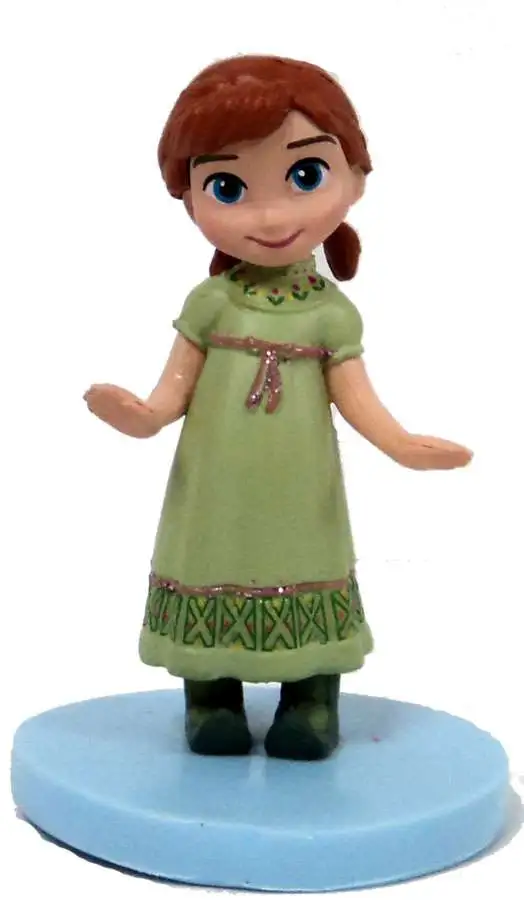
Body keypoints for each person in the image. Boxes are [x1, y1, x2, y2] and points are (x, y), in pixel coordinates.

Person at [84, 55, 472, 761]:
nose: (269, 215)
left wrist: (402, 445)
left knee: (307, 558)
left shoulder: (329, 314)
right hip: (214, 485)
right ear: (190, 198)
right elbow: (170, 395)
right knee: (209, 559)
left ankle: (311, 700)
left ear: (355, 178)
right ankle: (210, 699)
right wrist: (139, 416)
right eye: (228, 187)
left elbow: (357, 398)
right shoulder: (211, 303)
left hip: (302, 485)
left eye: (305, 175)